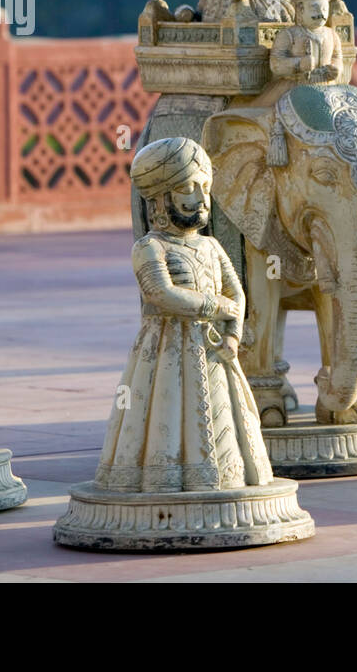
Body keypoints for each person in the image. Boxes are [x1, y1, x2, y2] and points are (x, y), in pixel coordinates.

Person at [95, 137, 271, 493]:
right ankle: (165, 476)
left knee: (223, 415)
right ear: (159, 197)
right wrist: (215, 307)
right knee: (166, 411)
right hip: (164, 351)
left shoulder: (211, 245)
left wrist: (234, 334)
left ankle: (226, 474)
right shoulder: (149, 248)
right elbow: (161, 294)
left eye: (204, 186)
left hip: (215, 350)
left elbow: (236, 292)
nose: (201, 198)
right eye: (188, 188)